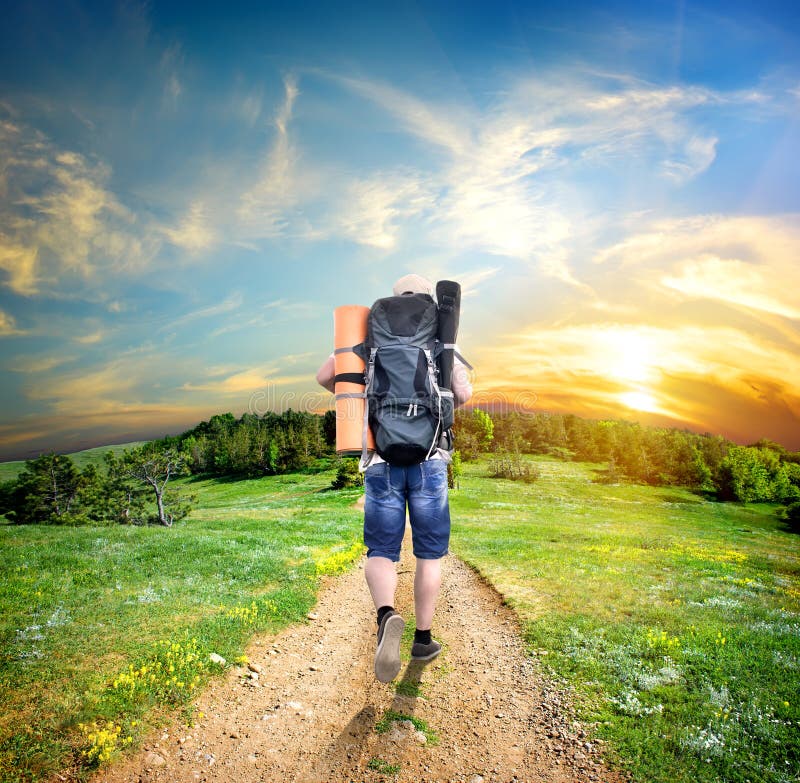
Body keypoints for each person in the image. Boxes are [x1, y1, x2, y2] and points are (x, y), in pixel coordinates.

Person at [316, 273, 473, 683]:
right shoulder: (442, 337)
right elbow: (463, 395)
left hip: (381, 458)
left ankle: (386, 615)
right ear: (426, 298)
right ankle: (423, 639)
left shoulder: (369, 333)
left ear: (392, 298)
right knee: (429, 554)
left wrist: (362, 388)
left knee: (381, 550)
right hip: (430, 459)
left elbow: (324, 376)